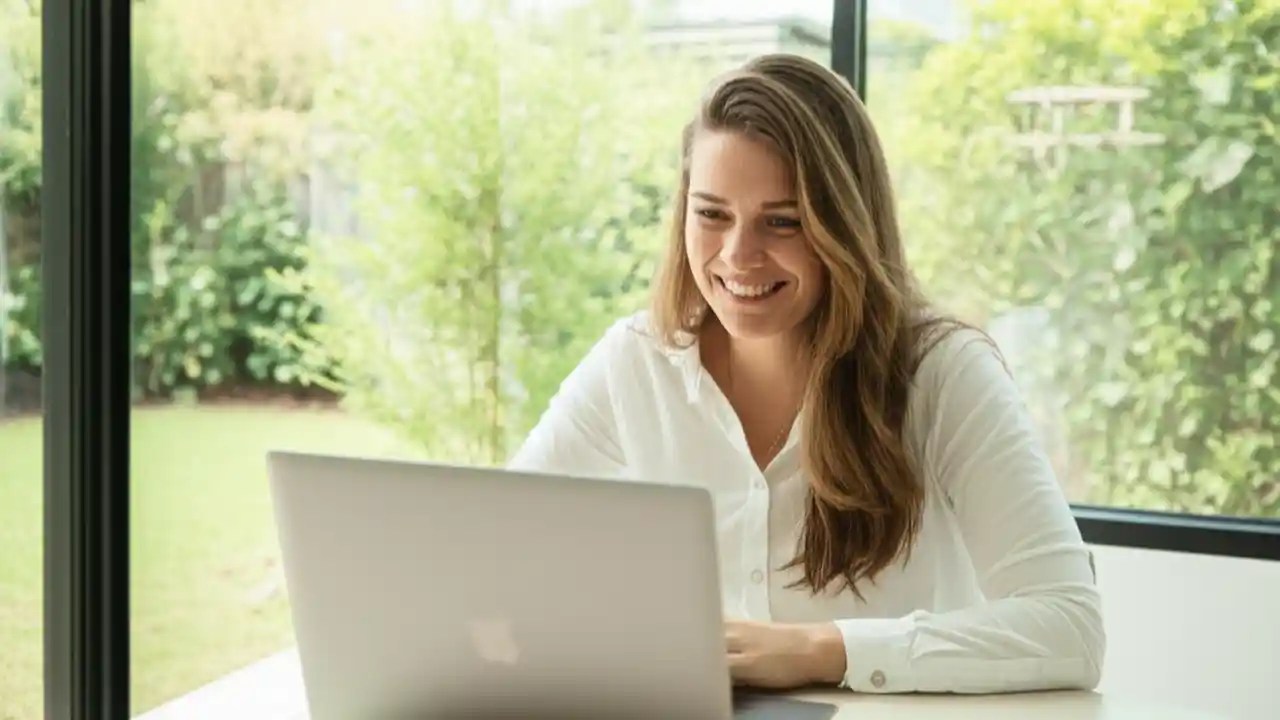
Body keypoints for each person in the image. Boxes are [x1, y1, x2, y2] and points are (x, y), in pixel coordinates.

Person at [509, 53, 1104, 695]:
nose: (738, 256)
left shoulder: (944, 373)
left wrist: (823, 650)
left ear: (844, 226)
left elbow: (1069, 625)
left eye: (783, 221)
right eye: (712, 214)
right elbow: (495, 548)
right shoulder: (635, 361)